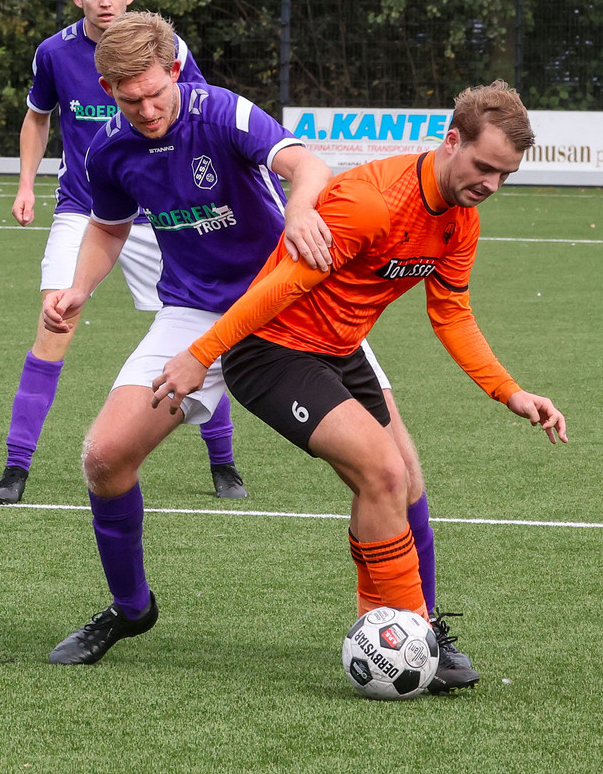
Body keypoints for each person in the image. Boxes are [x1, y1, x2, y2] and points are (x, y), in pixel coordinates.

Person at [41, 12, 479, 694]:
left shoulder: (220, 113)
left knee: (399, 472)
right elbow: (105, 229)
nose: (148, 109)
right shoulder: (108, 150)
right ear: (108, 88)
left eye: (157, 93)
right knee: (104, 457)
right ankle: (131, 609)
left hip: (297, 307)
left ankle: (422, 630)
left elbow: (305, 163)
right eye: (131, 100)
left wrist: (301, 210)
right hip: (191, 316)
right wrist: (77, 288)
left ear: (175, 73)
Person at [155, 80, 569, 691]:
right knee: (382, 472)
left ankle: (399, 631)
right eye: (484, 167)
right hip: (271, 351)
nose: (491, 185)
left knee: (405, 478)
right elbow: (281, 287)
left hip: (341, 351)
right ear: (451, 141)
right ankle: (412, 634)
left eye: (505, 175)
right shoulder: (373, 202)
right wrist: (200, 354)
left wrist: (511, 392)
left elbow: (451, 314)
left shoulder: (461, 222)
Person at [0, 0, 248, 505]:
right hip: (85, 211)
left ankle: (224, 463)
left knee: (199, 328)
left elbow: (198, 114)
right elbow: (37, 119)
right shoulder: (54, 53)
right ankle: (15, 468)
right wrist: (26, 184)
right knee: (55, 323)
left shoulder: (168, 48)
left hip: (160, 214)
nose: (104, 3)